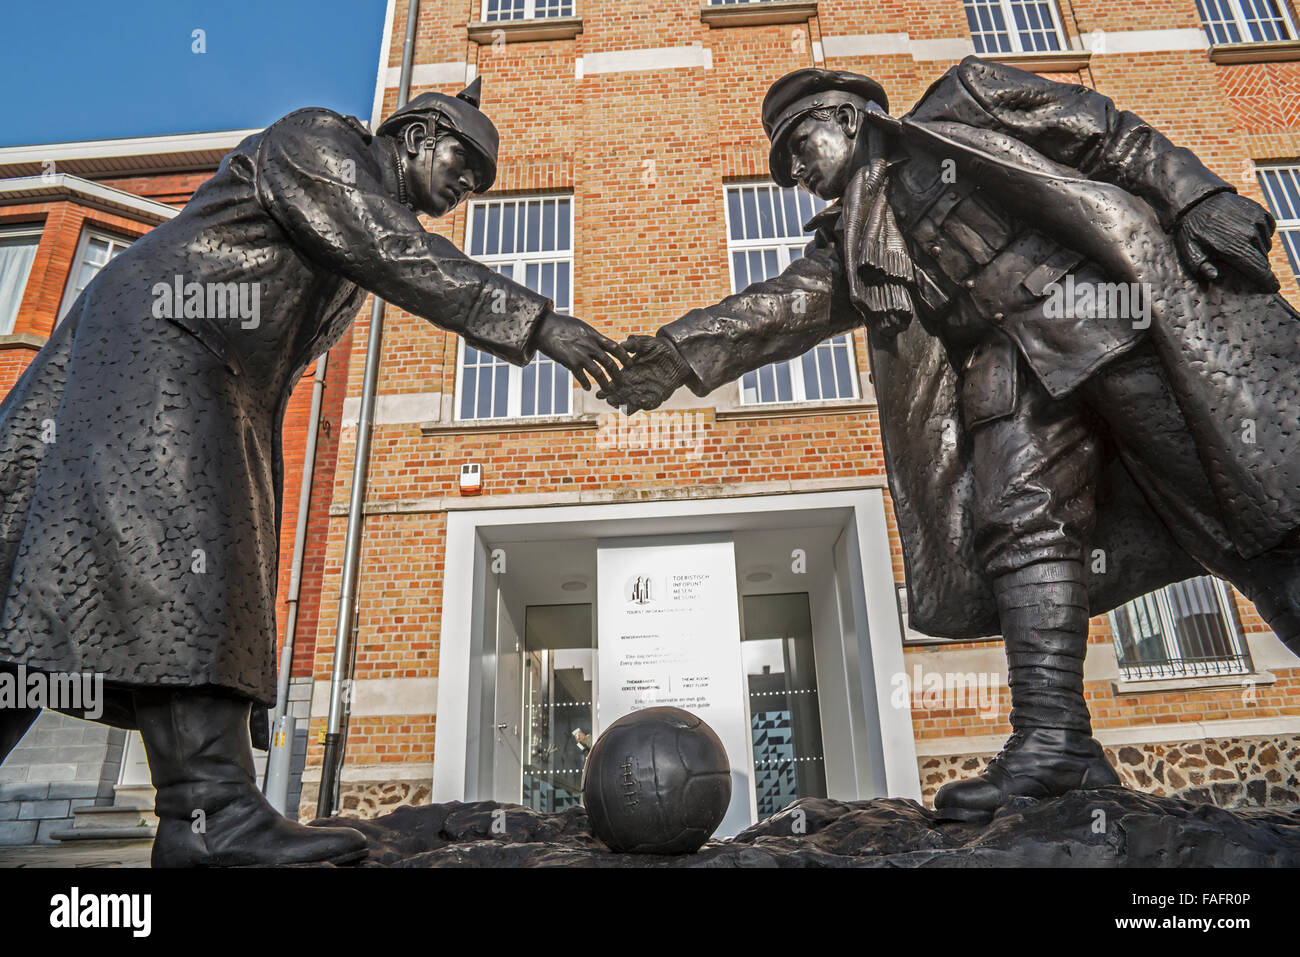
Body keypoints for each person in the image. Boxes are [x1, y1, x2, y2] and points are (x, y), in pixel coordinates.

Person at [599, 59, 1300, 823]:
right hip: (1007, 366)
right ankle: (1054, 742)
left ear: (844, 118)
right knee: (1017, 523)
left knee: (1242, 513)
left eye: (800, 147)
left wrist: (1200, 194)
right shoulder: (856, 235)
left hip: (1104, 319)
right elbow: (784, 305)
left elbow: (1102, 133)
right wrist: (674, 353)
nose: (796, 172)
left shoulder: (964, 100)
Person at [0, 79, 627, 865]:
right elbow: (393, 246)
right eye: (464, 165)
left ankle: (204, 820)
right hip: (166, 342)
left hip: (206, 372)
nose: (467, 188)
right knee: (194, 561)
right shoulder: (319, 141)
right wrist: (539, 322)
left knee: (24, 610)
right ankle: (211, 811)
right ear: (416, 133)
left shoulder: (348, 250)